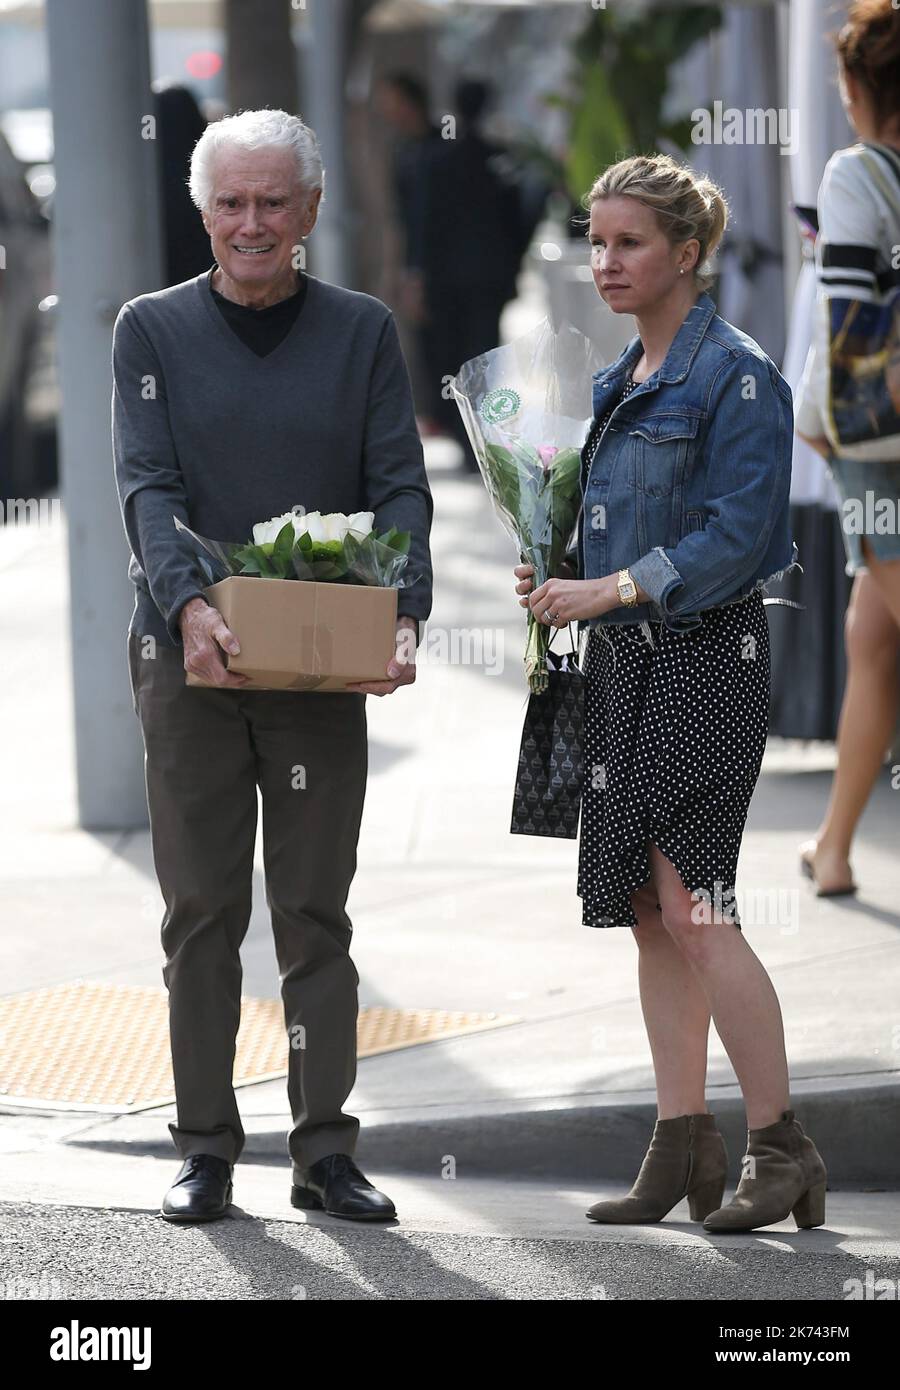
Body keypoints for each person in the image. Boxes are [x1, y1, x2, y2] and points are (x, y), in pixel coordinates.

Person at [112, 108, 433, 1225]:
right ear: (205, 213)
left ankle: (325, 1153)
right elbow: (147, 486)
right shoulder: (149, 331)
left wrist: (403, 615)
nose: (252, 223)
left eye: (273, 202)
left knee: (314, 912)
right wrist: (189, 603)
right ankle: (203, 1144)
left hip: (314, 660)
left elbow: (400, 484)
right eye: (232, 204)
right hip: (189, 656)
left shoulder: (360, 333)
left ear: (310, 210)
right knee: (201, 910)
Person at [514, 153, 827, 1233]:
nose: (605, 260)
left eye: (629, 242)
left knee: (696, 909)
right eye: (595, 240)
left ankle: (781, 1142)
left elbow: (744, 537)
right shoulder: (619, 383)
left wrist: (609, 585)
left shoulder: (737, 376)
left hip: (705, 656)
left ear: (687, 253)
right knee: (650, 915)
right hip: (626, 662)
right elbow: (619, 529)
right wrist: (551, 567)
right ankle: (681, 1140)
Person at [794, 0, 900, 896]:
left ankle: (832, 848)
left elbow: (850, 328)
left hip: (882, 447)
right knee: (872, 635)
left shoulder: (858, 174)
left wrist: (827, 432)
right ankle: (832, 847)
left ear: (860, 85)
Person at [419, 79, 541, 470]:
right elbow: (521, 216)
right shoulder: (498, 159)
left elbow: (424, 224)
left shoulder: (439, 158)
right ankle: (479, 438)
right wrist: (514, 260)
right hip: (489, 276)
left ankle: (465, 434)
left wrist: (419, 272)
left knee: (455, 356)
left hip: (448, 278)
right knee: (483, 357)